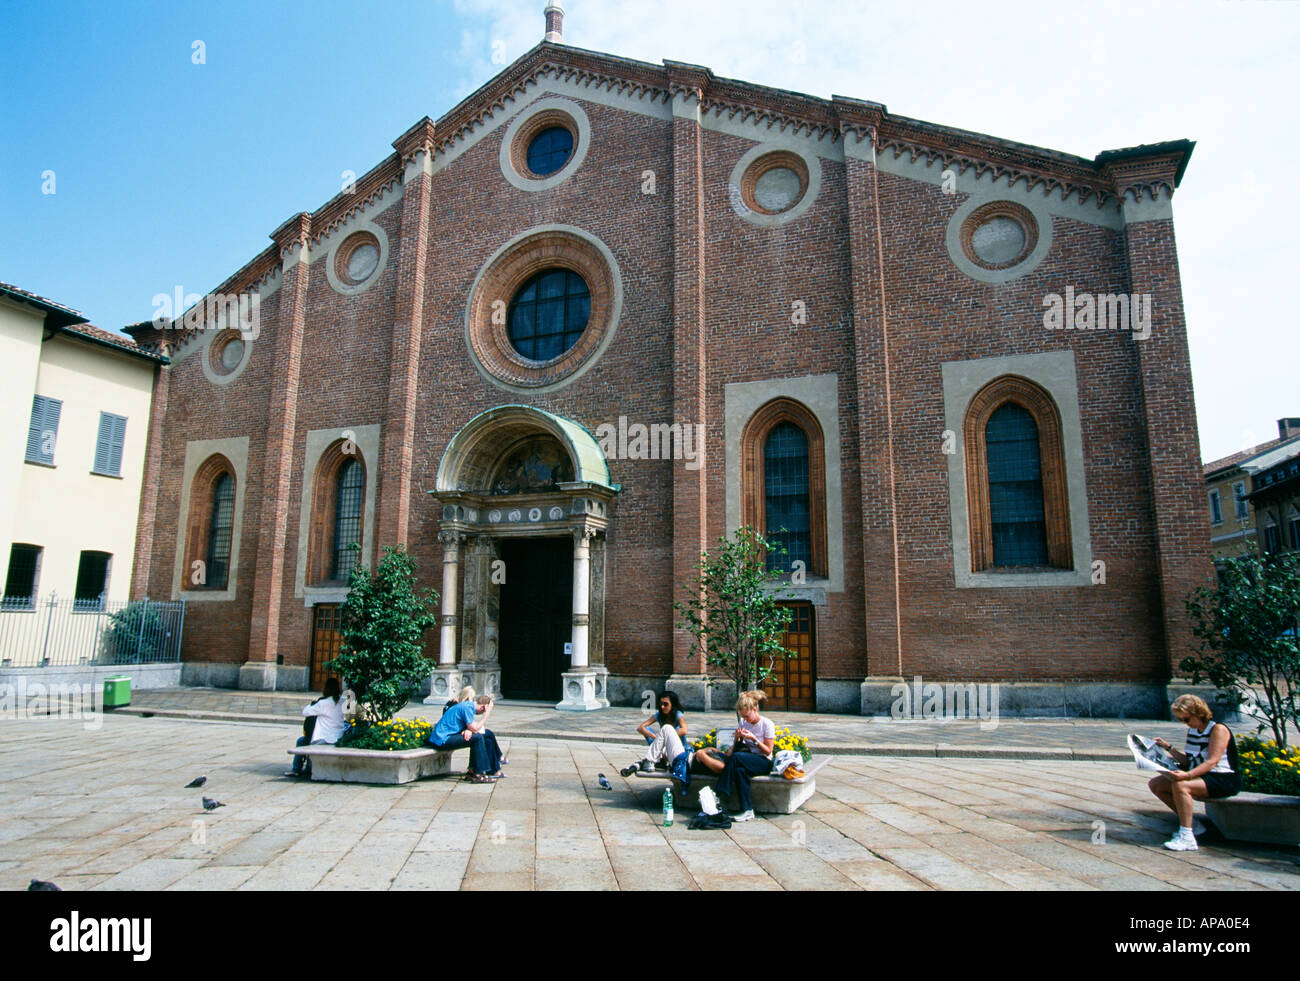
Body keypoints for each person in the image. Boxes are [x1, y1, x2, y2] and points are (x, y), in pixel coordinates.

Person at [1147, 693, 1241, 851]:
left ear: (1198, 713)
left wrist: (1188, 775)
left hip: (1224, 778)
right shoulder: (1194, 730)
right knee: (1156, 784)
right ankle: (1193, 824)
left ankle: (1187, 836)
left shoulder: (1218, 729)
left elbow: (1212, 761)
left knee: (1181, 786)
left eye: (1186, 719)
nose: (1185, 723)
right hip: (1204, 775)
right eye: (1181, 720)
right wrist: (1167, 748)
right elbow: (1189, 761)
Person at [702, 690, 775, 822]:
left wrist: (754, 739)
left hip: (764, 761)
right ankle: (747, 810)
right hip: (748, 759)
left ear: (755, 709)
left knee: (736, 758)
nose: (745, 720)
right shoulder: (743, 722)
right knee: (739, 771)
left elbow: (768, 751)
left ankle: (719, 792)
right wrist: (736, 739)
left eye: (747, 716)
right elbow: (733, 751)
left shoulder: (767, 724)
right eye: (743, 717)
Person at [428, 686, 504, 783]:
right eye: (484, 711)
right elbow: (475, 728)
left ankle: (475, 771)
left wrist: (469, 730)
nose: (481, 713)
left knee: (484, 736)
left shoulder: (467, 707)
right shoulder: (467, 708)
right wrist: (486, 715)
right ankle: (478, 774)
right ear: (483, 707)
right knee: (477, 738)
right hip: (441, 740)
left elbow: (472, 728)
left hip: (446, 737)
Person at [286, 678, 346, 777]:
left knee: (301, 741)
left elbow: (305, 712)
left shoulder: (323, 703)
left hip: (322, 738)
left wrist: (313, 703)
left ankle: (296, 769)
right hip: (338, 738)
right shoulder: (343, 702)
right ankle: (308, 766)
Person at [634, 691, 687, 767]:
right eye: (661, 704)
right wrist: (655, 737)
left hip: (676, 745)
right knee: (647, 729)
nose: (662, 707)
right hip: (662, 744)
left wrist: (668, 735)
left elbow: (684, 730)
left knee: (679, 728)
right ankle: (659, 756)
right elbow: (640, 727)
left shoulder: (678, 715)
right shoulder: (659, 714)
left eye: (665, 704)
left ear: (672, 704)